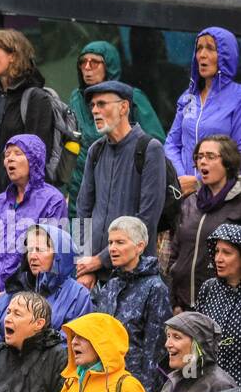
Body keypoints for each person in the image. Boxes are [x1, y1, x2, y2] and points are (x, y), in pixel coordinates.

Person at [75, 81, 168, 288]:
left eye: (102, 104)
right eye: (92, 106)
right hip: (94, 277)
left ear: (124, 107)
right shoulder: (95, 151)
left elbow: (146, 221)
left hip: (134, 276)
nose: (95, 111)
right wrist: (84, 265)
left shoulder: (150, 149)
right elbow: (82, 212)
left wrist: (98, 261)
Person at [66, 41, 167, 209]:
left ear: (110, 66)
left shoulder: (131, 97)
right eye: (83, 62)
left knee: (111, 232)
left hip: (118, 187)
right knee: (79, 232)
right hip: (79, 189)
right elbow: (67, 142)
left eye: (95, 62)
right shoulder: (76, 99)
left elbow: (156, 143)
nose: (87, 67)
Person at [0, 134, 68, 307]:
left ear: (34, 158)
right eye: (6, 155)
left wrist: (13, 292)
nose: (10, 159)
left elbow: (52, 256)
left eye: (17, 153)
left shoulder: (52, 200)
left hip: (32, 302)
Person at [0, 29, 56, 213]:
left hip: (27, 205)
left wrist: (21, 202)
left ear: (13, 55)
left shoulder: (36, 98)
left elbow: (38, 158)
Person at [0, 222, 92, 351]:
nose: (32, 256)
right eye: (30, 250)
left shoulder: (78, 296)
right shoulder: (14, 289)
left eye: (39, 250)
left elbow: (73, 342)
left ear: (58, 255)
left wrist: (32, 358)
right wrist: (5, 359)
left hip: (52, 369)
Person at [93, 216, 173, 392]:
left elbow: (155, 352)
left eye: (120, 242)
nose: (112, 248)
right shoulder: (110, 285)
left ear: (140, 246)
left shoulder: (155, 288)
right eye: (110, 242)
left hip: (134, 385)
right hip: (103, 381)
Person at [164, 27, 241, 194]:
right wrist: (181, 178)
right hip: (184, 195)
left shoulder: (238, 98)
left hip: (221, 196)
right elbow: (171, 143)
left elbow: (238, 153)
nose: (202, 55)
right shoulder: (188, 96)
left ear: (226, 55)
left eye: (210, 48)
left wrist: (199, 181)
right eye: (199, 48)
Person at [169, 135, 241, 310]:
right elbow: (174, 253)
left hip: (225, 306)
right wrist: (174, 301)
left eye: (210, 157)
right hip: (184, 306)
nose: (202, 162)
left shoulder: (238, 204)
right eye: (199, 157)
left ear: (228, 162)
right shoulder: (189, 202)